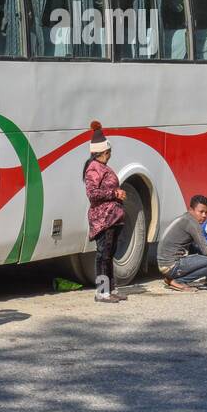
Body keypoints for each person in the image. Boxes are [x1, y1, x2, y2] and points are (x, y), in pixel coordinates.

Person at [83, 120, 127, 303]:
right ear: (102, 152)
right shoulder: (93, 169)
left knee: (109, 254)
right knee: (103, 255)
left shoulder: (103, 168)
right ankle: (101, 291)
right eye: (108, 153)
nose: (110, 156)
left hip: (113, 217)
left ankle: (110, 289)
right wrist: (114, 193)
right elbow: (92, 194)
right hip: (103, 219)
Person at [157, 194, 207, 292]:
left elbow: (199, 247)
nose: (204, 215)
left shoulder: (185, 218)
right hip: (172, 266)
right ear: (191, 210)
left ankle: (173, 279)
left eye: (206, 212)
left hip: (165, 266)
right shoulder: (191, 222)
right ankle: (179, 281)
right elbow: (206, 250)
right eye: (201, 212)